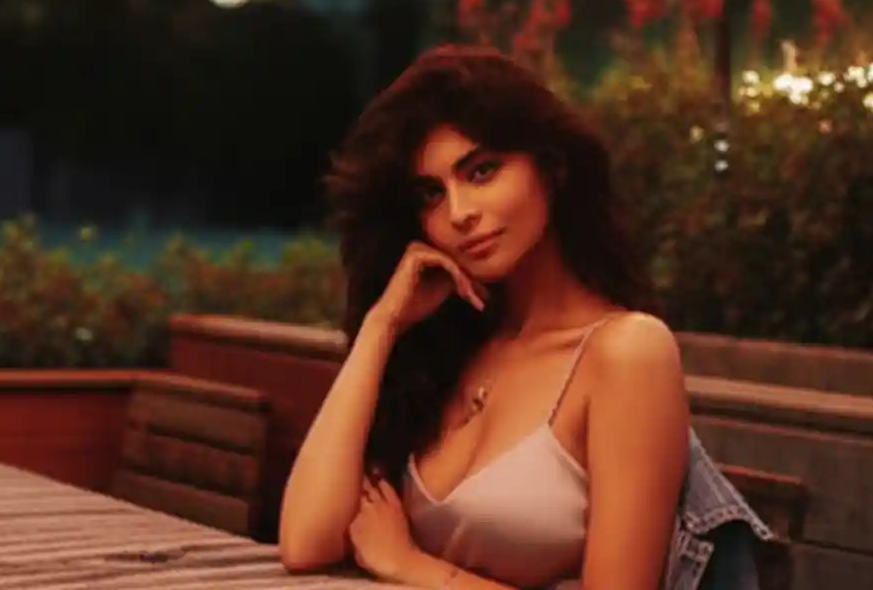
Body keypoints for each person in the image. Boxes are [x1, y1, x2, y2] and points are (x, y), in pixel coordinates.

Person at [279, 45, 770, 589]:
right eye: (431, 194)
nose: (460, 213)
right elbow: (304, 541)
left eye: (482, 171)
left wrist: (413, 566)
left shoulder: (627, 353)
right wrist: (381, 326)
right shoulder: (449, 350)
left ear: (550, 168)